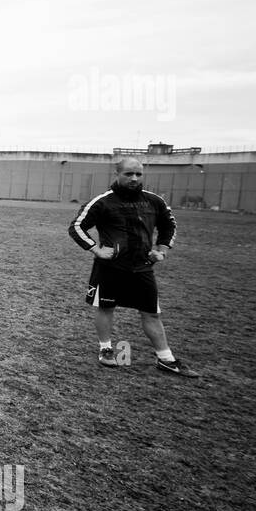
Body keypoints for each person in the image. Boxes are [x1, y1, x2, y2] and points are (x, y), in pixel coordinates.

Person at [68, 156, 198, 377]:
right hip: (110, 268)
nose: (134, 178)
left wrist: (162, 249)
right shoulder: (103, 201)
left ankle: (166, 359)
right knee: (105, 307)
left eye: (138, 174)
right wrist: (96, 249)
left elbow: (169, 225)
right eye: (129, 174)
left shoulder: (154, 201)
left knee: (151, 313)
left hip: (143, 267)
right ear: (117, 174)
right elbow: (77, 226)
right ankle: (106, 349)